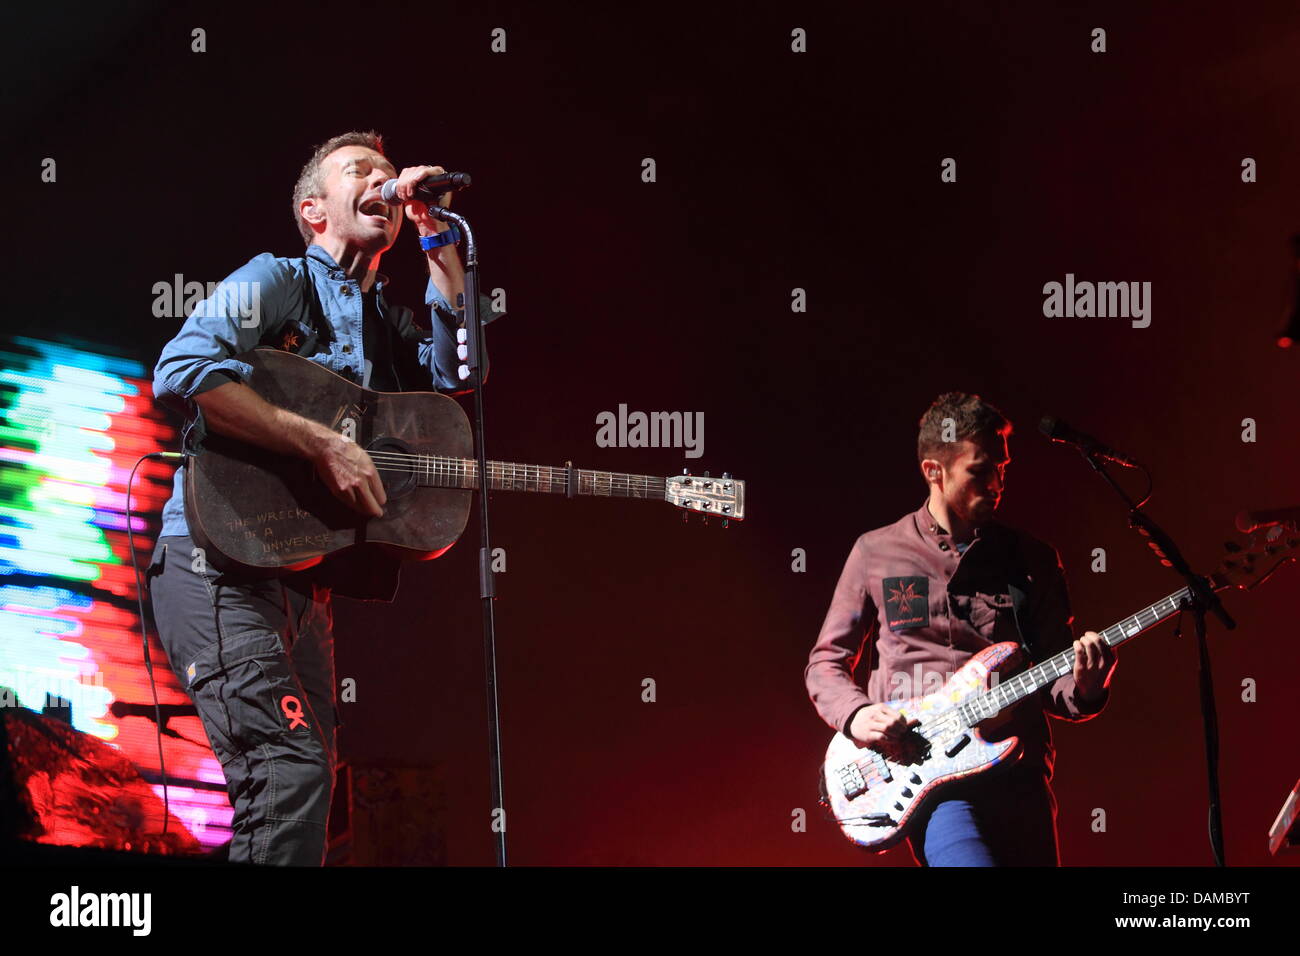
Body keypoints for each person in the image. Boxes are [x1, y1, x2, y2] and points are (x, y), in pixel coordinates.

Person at [146, 131, 499, 865]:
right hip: (215, 566)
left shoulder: (388, 324)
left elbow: (460, 374)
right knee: (287, 772)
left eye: (388, 174)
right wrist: (320, 442)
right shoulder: (275, 278)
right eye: (359, 171)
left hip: (304, 589)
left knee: (306, 799)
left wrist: (438, 239)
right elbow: (181, 367)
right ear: (314, 210)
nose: (384, 182)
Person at [805, 392, 1117, 866]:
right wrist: (857, 715)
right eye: (980, 469)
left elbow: (1057, 683)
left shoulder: (1032, 559)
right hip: (932, 781)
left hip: (1019, 773)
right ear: (935, 470)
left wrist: (1088, 685)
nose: (997, 482)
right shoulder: (876, 552)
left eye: (1002, 468)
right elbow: (825, 663)